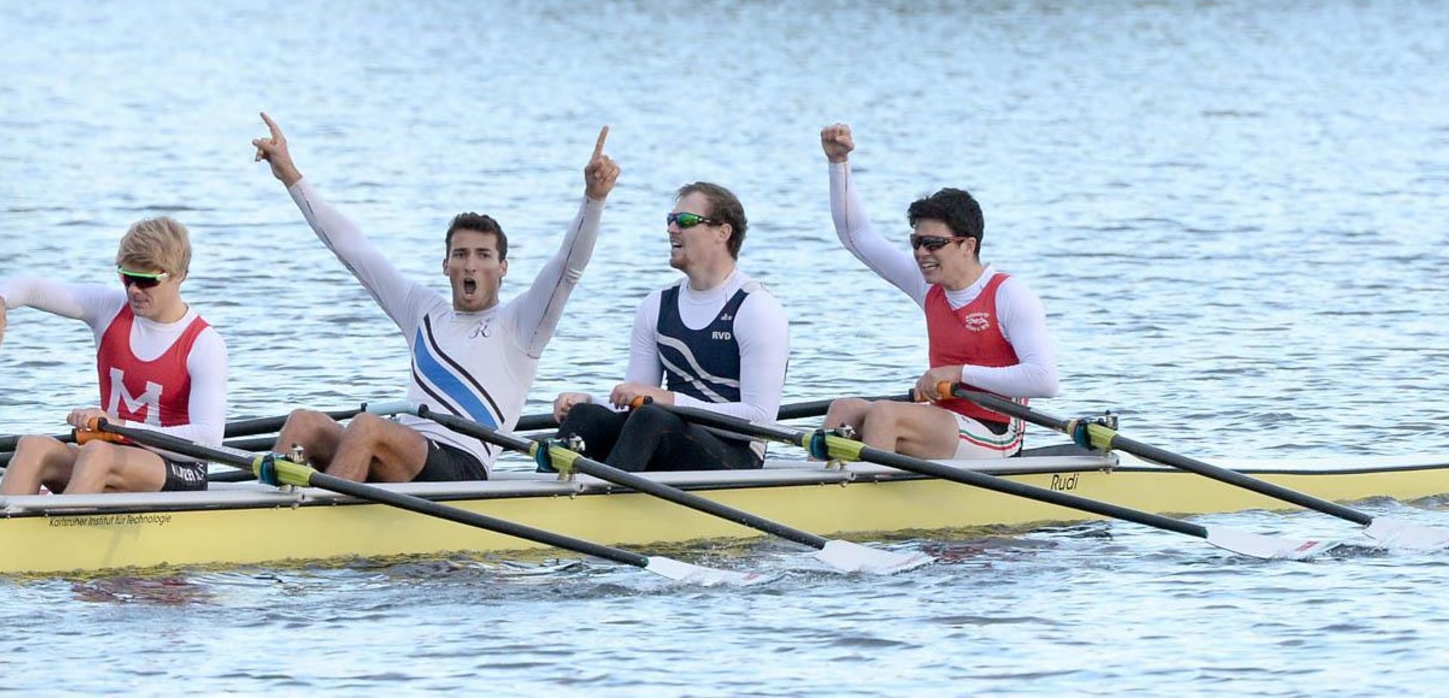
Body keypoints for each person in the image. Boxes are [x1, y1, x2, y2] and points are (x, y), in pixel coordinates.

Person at [252, 112, 617, 482]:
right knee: (304, 423)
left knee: (366, 425)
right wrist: (289, 175)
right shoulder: (422, 310)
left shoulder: (523, 324)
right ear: (446, 265)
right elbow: (351, 248)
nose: (470, 266)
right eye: (460, 255)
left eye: (483, 255)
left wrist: (594, 198)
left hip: (462, 466)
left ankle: (323, 528)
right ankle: (258, 516)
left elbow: (569, 267)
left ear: (503, 267)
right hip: (404, 452)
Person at [819, 123, 1059, 458]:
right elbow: (856, 236)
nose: (921, 254)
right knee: (843, 409)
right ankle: (822, 488)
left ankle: (862, 499)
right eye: (916, 243)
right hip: (944, 419)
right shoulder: (928, 286)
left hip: (997, 432)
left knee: (886, 414)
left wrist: (958, 374)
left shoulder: (1009, 295)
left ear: (967, 245)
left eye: (933, 244)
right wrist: (838, 163)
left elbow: (1045, 379)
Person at [0, 216, 228, 495]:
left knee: (97, 453)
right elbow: (33, 288)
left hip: (179, 467)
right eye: (126, 277)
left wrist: (119, 427)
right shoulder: (109, 309)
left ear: (180, 276)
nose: (133, 289)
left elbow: (209, 440)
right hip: (108, 454)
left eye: (146, 281)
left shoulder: (204, 343)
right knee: (34, 446)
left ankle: (56, 530)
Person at [550, 182, 789, 471]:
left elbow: (760, 420)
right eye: (670, 220)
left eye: (685, 221)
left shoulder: (756, 308)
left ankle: (603, 503)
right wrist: (588, 400)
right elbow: (634, 402)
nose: (672, 229)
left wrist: (668, 400)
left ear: (722, 233)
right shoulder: (656, 306)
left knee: (652, 418)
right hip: (667, 435)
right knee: (586, 417)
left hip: (736, 454)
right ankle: (545, 496)